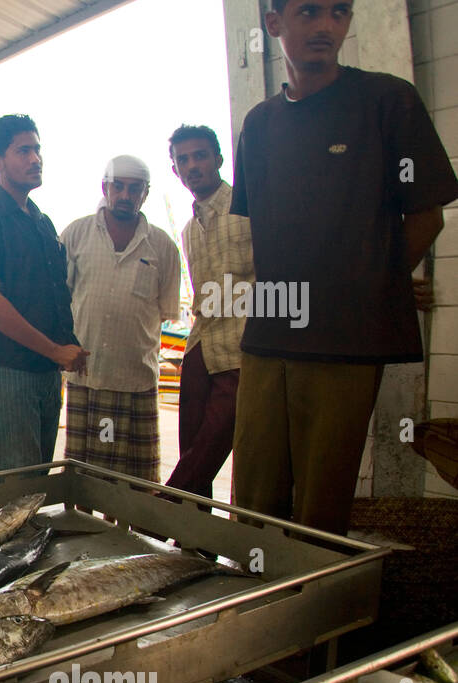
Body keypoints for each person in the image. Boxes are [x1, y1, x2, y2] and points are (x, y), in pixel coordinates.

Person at [230, 0, 457, 534]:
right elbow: (264, 228)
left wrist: (375, 284)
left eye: (338, 12)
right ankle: (252, 604)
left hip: (346, 339)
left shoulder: (385, 101)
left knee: (319, 509)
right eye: (309, 12)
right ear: (274, 24)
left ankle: (310, 609)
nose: (326, 26)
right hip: (271, 330)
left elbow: (427, 215)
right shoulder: (259, 124)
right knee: (254, 500)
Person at [0, 114, 87, 476]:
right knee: (10, 487)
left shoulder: (42, 223)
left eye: (37, 149)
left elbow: (52, 297)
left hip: (44, 373)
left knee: (35, 483)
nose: (35, 159)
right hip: (5, 371)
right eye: (23, 151)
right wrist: (56, 350)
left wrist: (66, 348)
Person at [60, 155, 181, 483]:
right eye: (119, 187)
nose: (126, 195)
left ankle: (131, 535)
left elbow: (167, 311)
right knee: (82, 481)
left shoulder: (164, 247)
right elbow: (58, 299)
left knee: (135, 485)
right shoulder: (75, 235)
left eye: (135, 188)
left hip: (136, 380)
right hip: (88, 378)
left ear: (146, 193)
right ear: (105, 187)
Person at [163, 125, 250, 500]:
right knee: (191, 445)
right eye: (183, 159)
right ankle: (194, 543)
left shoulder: (250, 208)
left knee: (212, 444)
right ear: (175, 169)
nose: (193, 165)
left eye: (200, 155)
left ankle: (160, 510)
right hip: (200, 344)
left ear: (218, 159)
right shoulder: (188, 230)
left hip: (242, 346)